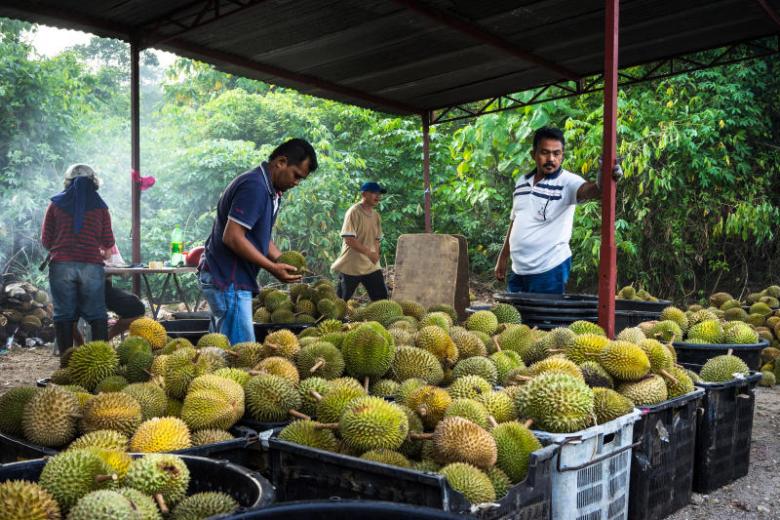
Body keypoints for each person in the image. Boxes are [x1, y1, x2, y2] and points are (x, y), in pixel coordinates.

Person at [199, 138, 318, 344]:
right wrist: (272, 267)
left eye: (301, 179)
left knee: (218, 351)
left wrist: (283, 260)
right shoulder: (255, 187)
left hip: (229, 280)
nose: (296, 182)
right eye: (296, 175)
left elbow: (260, 237)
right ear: (281, 162)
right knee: (241, 355)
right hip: (229, 280)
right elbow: (233, 237)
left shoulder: (271, 191)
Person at [494, 127, 622, 294]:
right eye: (545, 153)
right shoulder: (522, 182)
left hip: (549, 269)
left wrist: (606, 177)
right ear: (534, 155)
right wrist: (503, 257)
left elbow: (593, 190)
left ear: (562, 155)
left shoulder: (567, 182)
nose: (551, 159)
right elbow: (515, 221)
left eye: (556, 153)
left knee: (542, 319)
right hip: (518, 270)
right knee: (514, 319)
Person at [41, 164, 114, 361]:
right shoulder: (101, 208)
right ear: (94, 184)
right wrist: (96, 249)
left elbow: (46, 241)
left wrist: (66, 246)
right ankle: (101, 361)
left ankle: (66, 365)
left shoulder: (55, 205)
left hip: (61, 266)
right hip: (91, 265)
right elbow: (108, 243)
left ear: (68, 182)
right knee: (97, 314)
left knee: (64, 315)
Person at [331, 181, 389, 301]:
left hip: (370, 266)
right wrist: (370, 253)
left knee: (382, 299)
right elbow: (349, 239)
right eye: (374, 193)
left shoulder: (376, 216)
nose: (378, 196)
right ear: (364, 194)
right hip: (352, 265)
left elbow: (376, 239)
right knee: (340, 302)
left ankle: (381, 320)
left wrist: (376, 255)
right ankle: (332, 319)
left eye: (379, 193)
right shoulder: (353, 212)